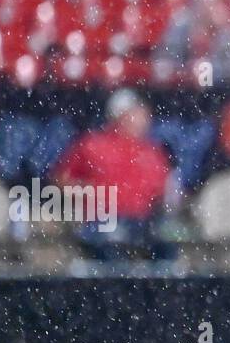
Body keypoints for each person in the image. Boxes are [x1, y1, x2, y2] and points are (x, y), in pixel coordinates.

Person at [54, 90, 174, 262]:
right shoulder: (92, 145)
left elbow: (165, 193)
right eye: (137, 113)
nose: (144, 118)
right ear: (121, 116)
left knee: (166, 247)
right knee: (111, 243)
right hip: (102, 221)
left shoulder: (152, 151)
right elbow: (62, 179)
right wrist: (87, 197)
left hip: (142, 223)